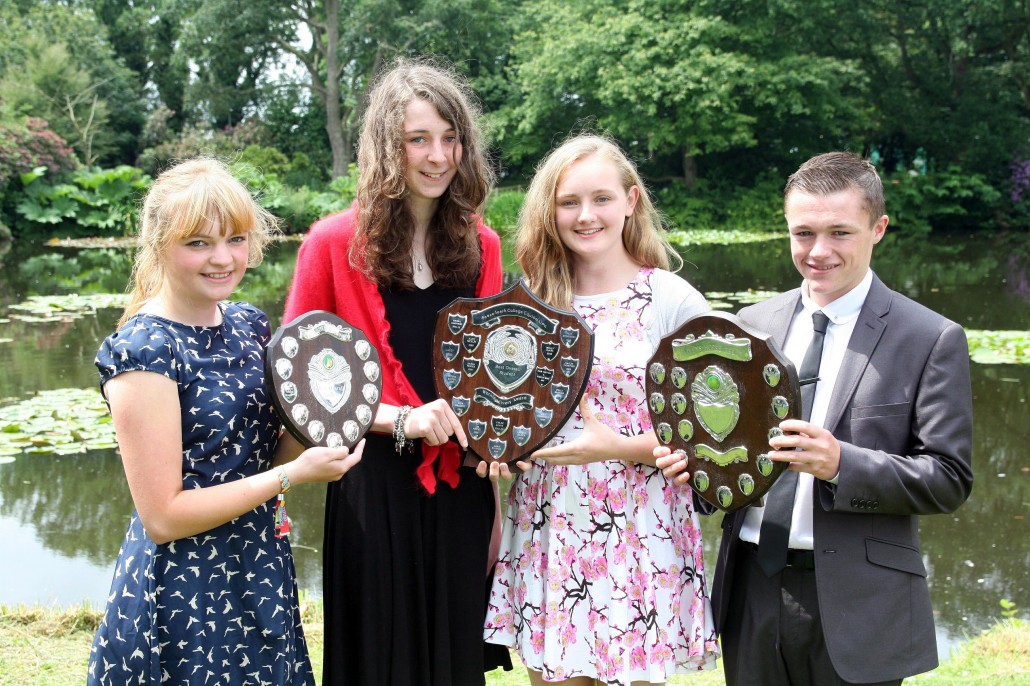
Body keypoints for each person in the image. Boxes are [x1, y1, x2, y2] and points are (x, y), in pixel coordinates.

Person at [657, 151, 974, 685]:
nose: (818, 251)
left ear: (878, 229)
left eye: (840, 233)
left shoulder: (929, 338)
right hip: (751, 585)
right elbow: (725, 456)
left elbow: (949, 478)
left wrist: (840, 463)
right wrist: (699, 475)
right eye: (803, 233)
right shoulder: (748, 325)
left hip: (861, 601)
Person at [87, 158, 364, 685]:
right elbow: (163, 516)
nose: (222, 259)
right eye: (198, 243)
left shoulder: (249, 325)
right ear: (159, 245)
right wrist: (293, 476)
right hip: (184, 590)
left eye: (236, 238)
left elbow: (264, 450)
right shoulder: (145, 351)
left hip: (258, 568)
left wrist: (325, 426)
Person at [281, 58, 510, 685]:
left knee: (455, 662)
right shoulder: (329, 244)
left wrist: (495, 503)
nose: (438, 157)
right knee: (378, 663)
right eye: (418, 139)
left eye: (450, 138)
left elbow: (485, 384)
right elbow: (296, 382)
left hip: (459, 489)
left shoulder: (481, 246)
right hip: (370, 484)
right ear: (388, 145)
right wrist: (400, 418)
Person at [483, 134, 720, 685]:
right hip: (551, 519)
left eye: (602, 199)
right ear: (551, 211)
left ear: (631, 200)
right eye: (569, 202)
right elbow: (508, 412)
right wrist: (499, 451)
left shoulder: (672, 299)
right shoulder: (531, 301)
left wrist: (621, 447)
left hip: (642, 520)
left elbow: (715, 435)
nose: (586, 216)